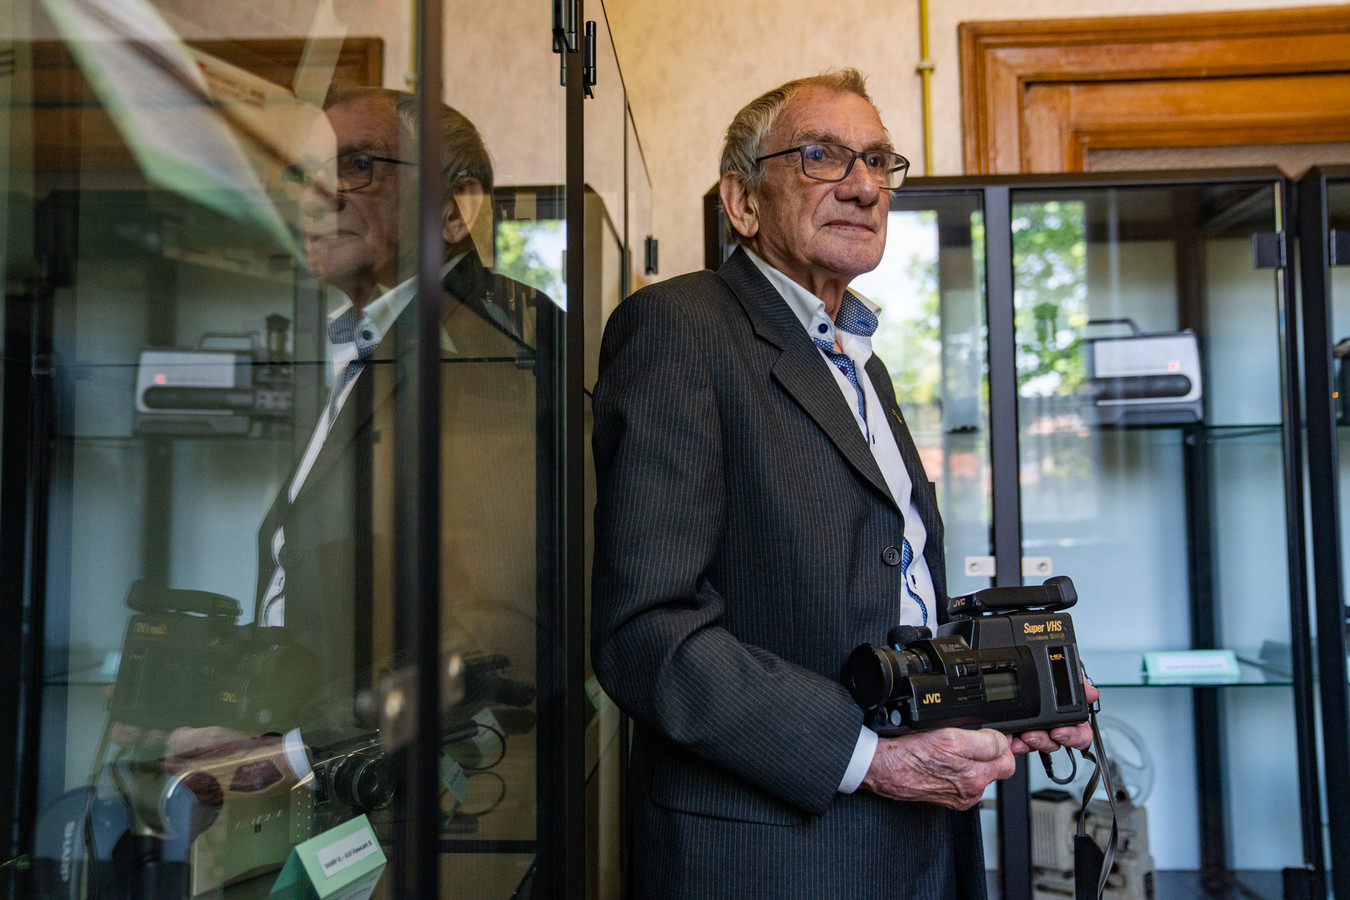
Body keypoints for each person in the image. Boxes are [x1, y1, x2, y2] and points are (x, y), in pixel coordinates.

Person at [590, 68, 1097, 898]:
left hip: (921, 838)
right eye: (822, 156)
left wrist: (1006, 690)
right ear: (742, 201)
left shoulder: (863, 366)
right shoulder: (682, 328)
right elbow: (646, 632)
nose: (864, 186)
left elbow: (883, 595)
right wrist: (873, 762)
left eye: (877, 160)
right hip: (771, 858)